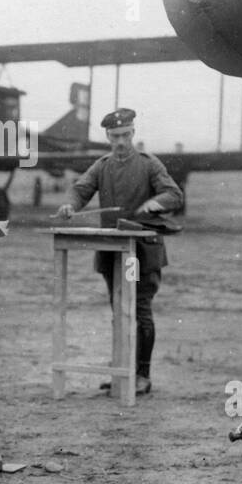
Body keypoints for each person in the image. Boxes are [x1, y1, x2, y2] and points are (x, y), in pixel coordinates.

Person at [57, 107, 183, 396]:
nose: (121, 142)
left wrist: (157, 203)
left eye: (126, 135)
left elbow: (175, 194)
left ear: (134, 133)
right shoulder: (102, 166)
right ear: (108, 137)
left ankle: (141, 375)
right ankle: (120, 371)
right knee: (118, 312)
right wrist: (70, 206)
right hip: (113, 253)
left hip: (143, 253)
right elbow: (80, 190)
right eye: (115, 136)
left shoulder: (150, 164)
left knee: (139, 311)